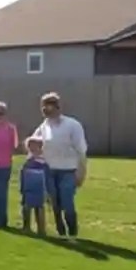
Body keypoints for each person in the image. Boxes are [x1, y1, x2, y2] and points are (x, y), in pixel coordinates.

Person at [31, 92, 88, 240]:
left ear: (56, 107)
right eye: (43, 107)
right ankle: (61, 232)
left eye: (48, 106)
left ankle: (73, 232)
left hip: (68, 170)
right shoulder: (43, 126)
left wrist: (81, 171)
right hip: (49, 170)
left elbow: (81, 150)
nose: (45, 110)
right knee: (54, 203)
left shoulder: (72, 125)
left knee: (67, 202)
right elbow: (33, 144)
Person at [19, 136, 50, 235]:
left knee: (39, 207)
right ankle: (26, 226)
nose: (33, 150)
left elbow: (47, 177)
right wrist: (22, 187)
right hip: (28, 188)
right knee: (26, 207)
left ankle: (41, 229)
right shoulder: (27, 162)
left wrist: (48, 191)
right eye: (30, 147)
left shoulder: (43, 163)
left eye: (36, 147)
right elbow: (22, 174)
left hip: (39, 188)